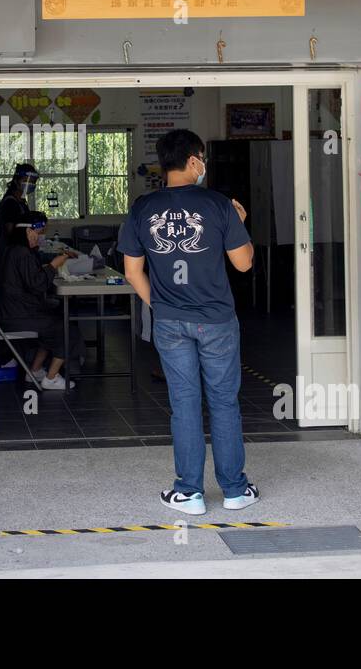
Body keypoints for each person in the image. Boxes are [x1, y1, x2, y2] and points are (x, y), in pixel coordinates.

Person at [119, 129, 258, 516]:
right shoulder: (219, 205)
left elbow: (133, 272)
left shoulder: (143, 208)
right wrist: (241, 223)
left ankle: (189, 494)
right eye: (202, 159)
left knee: (184, 404)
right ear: (194, 161)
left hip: (170, 321)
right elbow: (243, 263)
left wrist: (160, 306)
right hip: (216, 321)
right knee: (224, 403)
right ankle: (234, 491)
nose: (204, 166)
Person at [0, 210, 83, 390]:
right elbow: (38, 284)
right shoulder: (22, 253)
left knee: (55, 316)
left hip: (12, 311)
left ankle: (35, 370)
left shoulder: (14, 250)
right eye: (38, 232)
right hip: (17, 315)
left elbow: (28, 277)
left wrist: (48, 266)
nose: (40, 237)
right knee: (67, 328)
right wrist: (54, 265)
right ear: (27, 231)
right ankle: (51, 377)